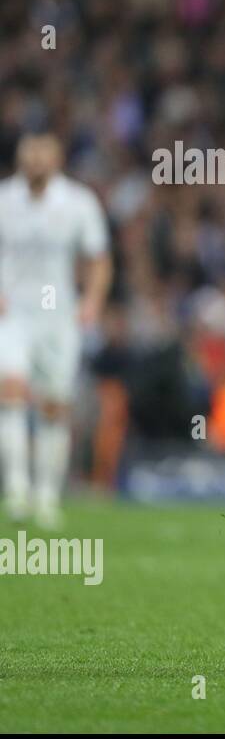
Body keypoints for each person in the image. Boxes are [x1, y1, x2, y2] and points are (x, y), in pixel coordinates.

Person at [0, 134, 112, 529]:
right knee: (10, 391)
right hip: (13, 312)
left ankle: (47, 496)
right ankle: (17, 488)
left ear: (57, 158)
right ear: (20, 157)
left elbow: (98, 257)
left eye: (42, 153)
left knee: (54, 404)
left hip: (58, 314)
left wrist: (92, 300)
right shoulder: (5, 198)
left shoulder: (78, 202)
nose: (35, 159)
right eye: (29, 152)